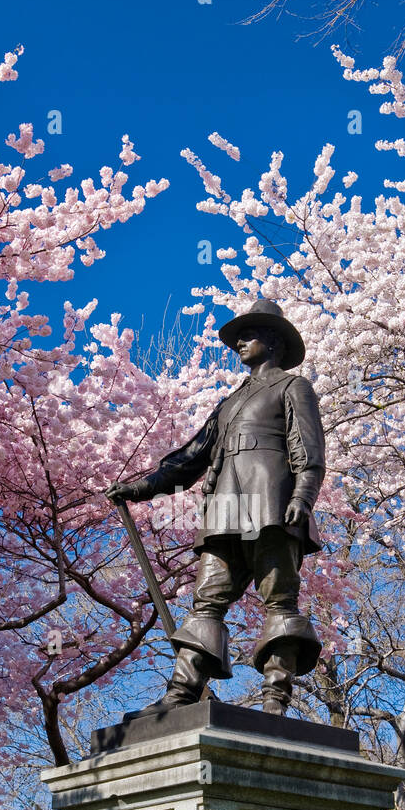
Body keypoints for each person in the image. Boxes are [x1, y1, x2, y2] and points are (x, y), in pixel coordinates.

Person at [107, 299, 326, 715]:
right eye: (238, 337)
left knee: (280, 600)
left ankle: (275, 699)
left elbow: (309, 451)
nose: (240, 342)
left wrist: (302, 497)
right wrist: (139, 488)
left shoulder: (292, 387)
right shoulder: (229, 403)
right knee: (206, 599)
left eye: (250, 334)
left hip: (273, 502)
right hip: (225, 505)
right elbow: (190, 458)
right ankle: (183, 692)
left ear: (275, 342)